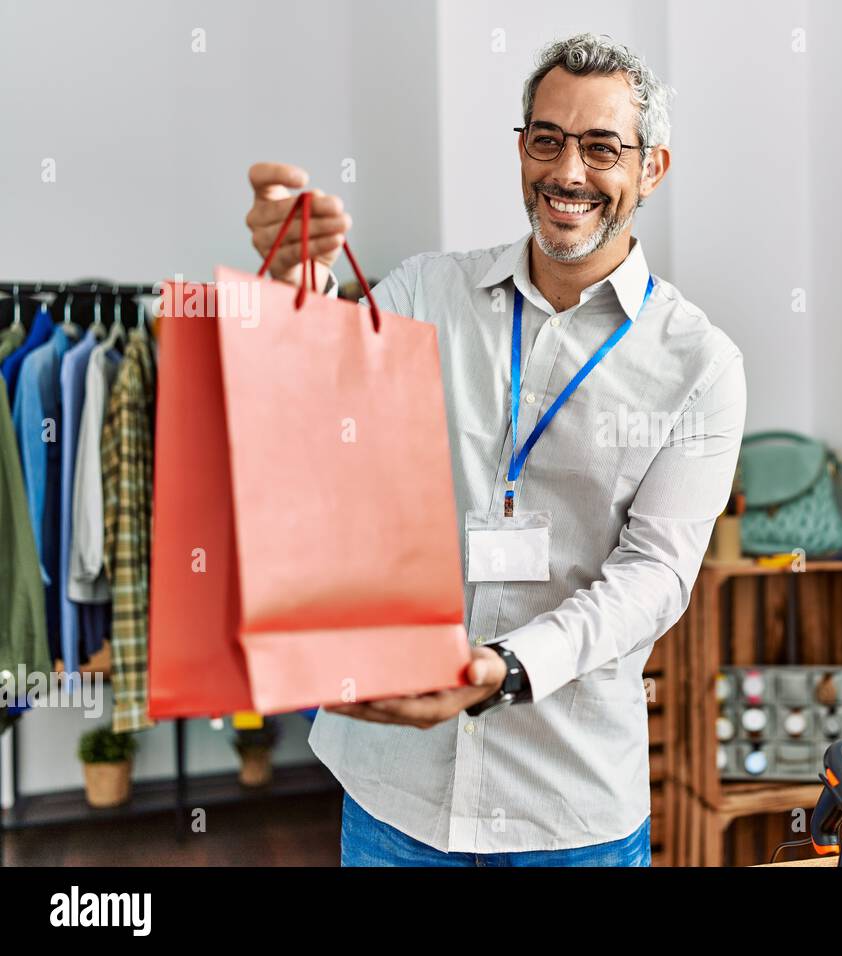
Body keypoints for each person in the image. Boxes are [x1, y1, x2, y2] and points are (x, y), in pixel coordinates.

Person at [244, 32, 746, 867]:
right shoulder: (426, 293)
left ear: (652, 169)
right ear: (522, 149)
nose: (569, 172)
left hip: (568, 808)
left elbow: (655, 575)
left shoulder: (700, 365)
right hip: (393, 796)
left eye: (602, 147)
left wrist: (504, 669)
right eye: (547, 139)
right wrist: (291, 277)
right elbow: (310, 390)